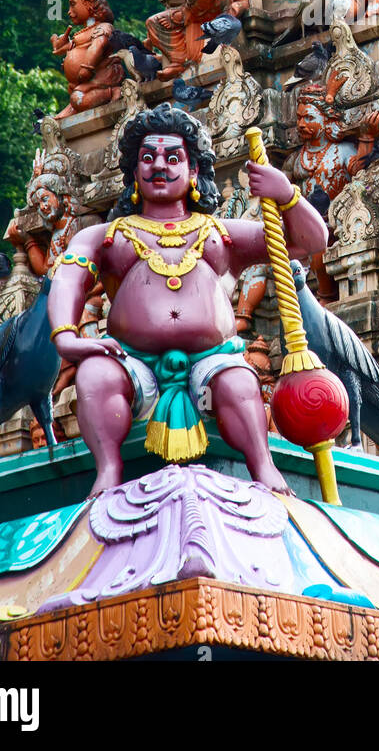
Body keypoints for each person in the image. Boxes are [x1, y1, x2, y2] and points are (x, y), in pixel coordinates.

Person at [48, 104, 328, 496]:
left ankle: (263, 467)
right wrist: (66, 337)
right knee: (95, 376)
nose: (158, 166)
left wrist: (287, 194)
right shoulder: (110, 236)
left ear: (194, 170)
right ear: (133, 174)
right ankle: (108, 471)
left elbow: (311, 242)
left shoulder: (221, 234)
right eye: (147, 158)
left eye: (172, 157)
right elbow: (68, 278)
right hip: (131, 360)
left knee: (239, 382)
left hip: (212, 359)